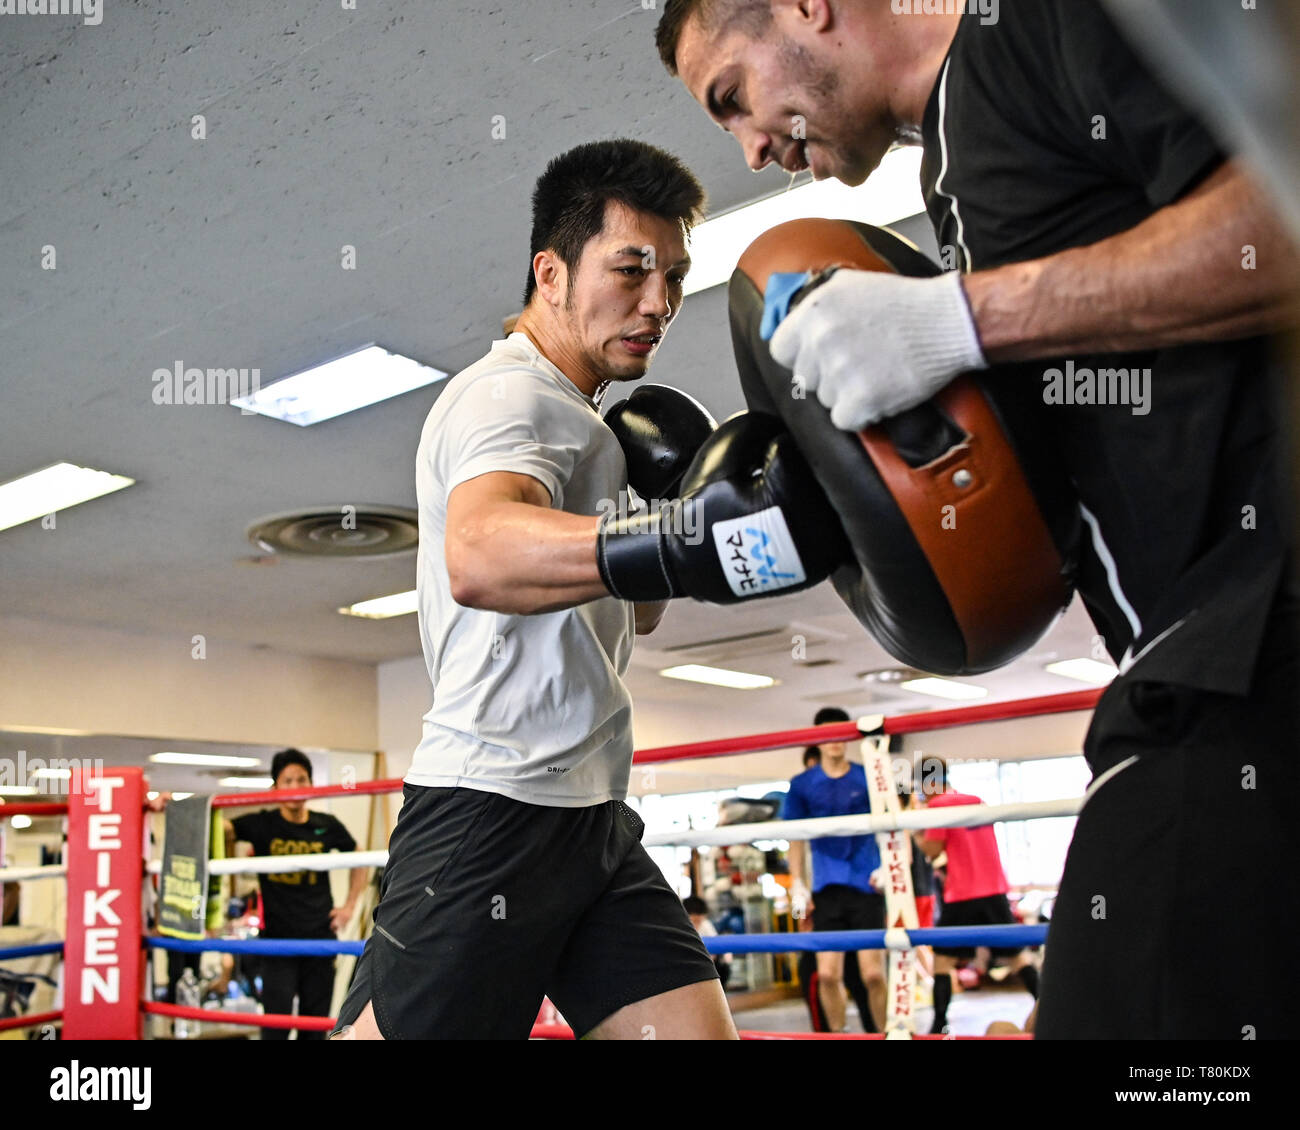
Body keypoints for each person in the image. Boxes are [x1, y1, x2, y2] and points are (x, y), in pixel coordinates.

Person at [654, 0, 1300, 1038]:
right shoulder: (956, 165)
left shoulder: (1035, 28)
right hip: (1202, 654)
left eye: (733, 97)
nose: (753, 147)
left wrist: (962, 319)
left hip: (1251, 638)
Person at [335, 137, 821, 1040]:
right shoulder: (508, 400)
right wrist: (671, 534)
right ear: (550, 272)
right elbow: (479, 554)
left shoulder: (595, 426)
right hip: (493, 808)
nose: (659, 302)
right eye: (631, 269)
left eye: (674, 276)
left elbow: (631, 609)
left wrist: (666, 512)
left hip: (592, 813)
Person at [223, 749, 367, 1040]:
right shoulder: (263, 823)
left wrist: (349, 906)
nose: (295, 787)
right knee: (275, 1026)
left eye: (301, 779)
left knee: (314, 1026)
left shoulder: (325, 825)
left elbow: (359, 856)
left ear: (311, 784)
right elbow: (224, 828)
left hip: (319, 936)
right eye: (287, 780)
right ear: (275, 787)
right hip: (278, 940)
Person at [913, 760, 1037, 1035]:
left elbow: (932, 850)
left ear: (925, 783)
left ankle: (938, 1026)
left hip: (963, 892)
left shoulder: (938, 806)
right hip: (994, 888)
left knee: (943, 960)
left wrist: (915, 829)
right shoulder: (976, 800)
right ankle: (1047, 1005)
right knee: (1017, 957)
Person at [783, 706, 885, 1032]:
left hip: (867, 885)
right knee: (827, 974)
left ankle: (885, 1036)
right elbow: (795, 838)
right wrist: (797, 882)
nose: (835, 742)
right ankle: (837, 1036)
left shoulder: (868, 776)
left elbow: (893, 824)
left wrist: (888, 867)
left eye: (841, 732)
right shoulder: (802, 784)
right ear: (817, 740)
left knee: (873, 974)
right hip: (827, 889)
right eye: (827, 734)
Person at [683, 895, 732, 990]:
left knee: (724, 967)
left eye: (700, 920)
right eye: (694, 920)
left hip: (705, 963)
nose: (698, 924)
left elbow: (716, 945)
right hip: (688, 965)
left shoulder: (706, 925)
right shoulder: (681, 928)